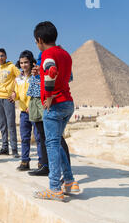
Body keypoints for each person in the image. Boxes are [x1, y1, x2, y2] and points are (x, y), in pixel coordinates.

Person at [32, 21, 80, 201]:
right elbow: (64, 75)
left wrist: (49, 95)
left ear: (40, 39)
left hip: (55, 103)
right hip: (68, 102)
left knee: (51, 144)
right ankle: (69, 181)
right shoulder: (66, 54)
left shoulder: (47, 53)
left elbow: (51, 71)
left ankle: (54, 188)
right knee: (57, 142)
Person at [12, 50, 43, 171]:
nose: (24, 65)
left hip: (34, 111)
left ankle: (41, 162)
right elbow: (18, 93)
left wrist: (32, 106)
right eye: (21, 63)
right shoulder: (18, 79)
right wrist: (15, 95)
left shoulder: (36, 77)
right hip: (23, 112)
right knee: (25, 138)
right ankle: (25, 161)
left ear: (31, 63)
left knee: (38, 137)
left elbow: (38, 93)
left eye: (26, 62)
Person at [0, 48, 20, 158]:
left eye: (2, 55)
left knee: (11, 124)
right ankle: (5, 148)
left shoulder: (12, 67)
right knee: (2, 124)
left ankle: (14, 149)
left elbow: (20, 79)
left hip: (8, 99)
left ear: (6, 56)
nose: (0, 58)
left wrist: (15, 93)